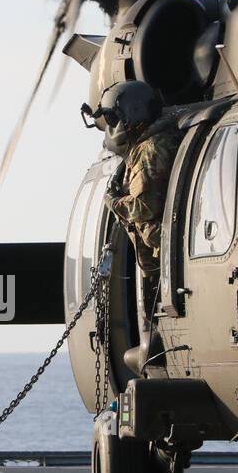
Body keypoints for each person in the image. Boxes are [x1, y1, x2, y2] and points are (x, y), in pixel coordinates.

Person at [98, 81, 183, 324]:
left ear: (131, 113)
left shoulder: (150, 150)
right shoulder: (154, 143)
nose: (114, 127)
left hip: (161, 259)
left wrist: (114, 202)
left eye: (115, 119)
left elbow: (144, 206)